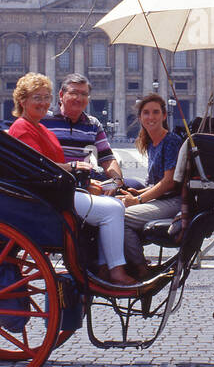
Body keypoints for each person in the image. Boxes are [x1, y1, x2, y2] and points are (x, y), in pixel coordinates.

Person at [7, 73, 136, 285]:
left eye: (45, 97)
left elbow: (105, 157)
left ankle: (105, 267)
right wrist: (75, 168)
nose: (43, 103)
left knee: (120, 196)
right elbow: (36, 167)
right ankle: (115, 271)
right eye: (36, 98)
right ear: (23, 100)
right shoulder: (24, 127)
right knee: (113, 209)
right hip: (46, 197)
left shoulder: (40, 128)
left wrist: (95, 182)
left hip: (59, 190)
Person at [121, 93, 184, 272]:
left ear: (164, 116)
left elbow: (169, 183)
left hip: (175, 201)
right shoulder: (151, 142)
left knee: (121, 218)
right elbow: (156, 182)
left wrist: (138, 201)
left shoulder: (171, 140)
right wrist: (137, 194)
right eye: (146, 113)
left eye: (156, 112)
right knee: (115, 209)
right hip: (163, 199)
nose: (151, 117)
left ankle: (140, 268)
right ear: (140, 117)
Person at [39, 74, 125, 186]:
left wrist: (117, 180)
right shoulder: (43, 119)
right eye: (73, 93)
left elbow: (107, 159)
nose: (79, 99)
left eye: (84, 94)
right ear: (61, 95)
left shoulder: (93, 124)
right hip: (54, 181)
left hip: (84, 178)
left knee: (134, 185)